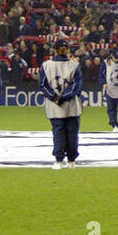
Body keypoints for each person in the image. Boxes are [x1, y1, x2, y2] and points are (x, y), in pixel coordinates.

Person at [41, 40, 83, 168]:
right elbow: (76, 86)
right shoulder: (75, 65)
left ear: (54, 50)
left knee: (58, 133)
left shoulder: (46, 65)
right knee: (72, 134)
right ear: (68, 50)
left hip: (54, 107)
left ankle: (59, 160)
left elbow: (43, 85)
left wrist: (56, 98)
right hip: (72, 106)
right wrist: (64, 97)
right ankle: (71, 161)